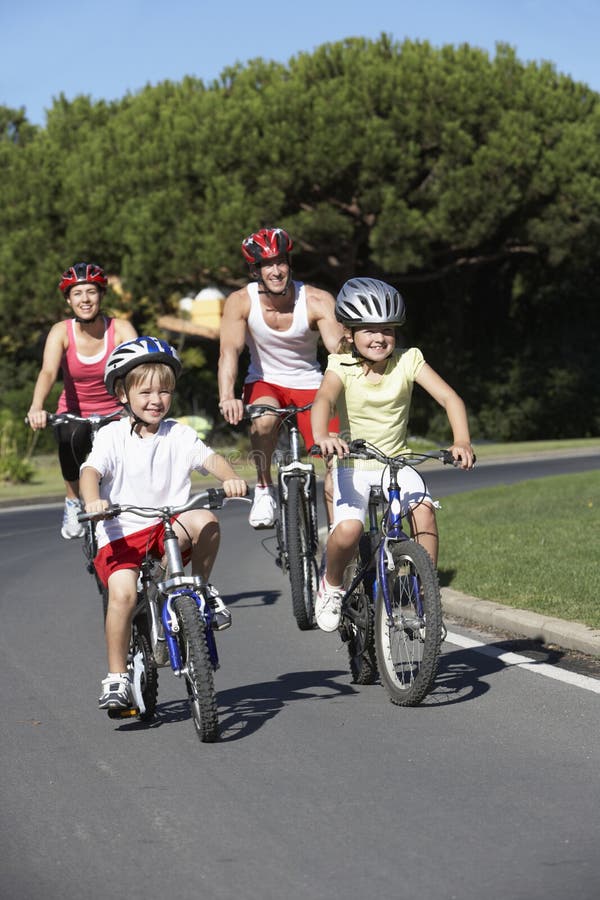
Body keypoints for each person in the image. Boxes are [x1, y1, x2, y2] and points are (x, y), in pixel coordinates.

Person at [79, 336, 247, 710]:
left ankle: (200, 589)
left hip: (167, 528)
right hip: (121, 534)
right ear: (122, 394)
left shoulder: (179, 434)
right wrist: (94, 498)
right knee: (122, 594)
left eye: (165, 391)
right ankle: (116, 676)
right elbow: (91, 470)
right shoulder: (112, 436)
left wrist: (229, 476)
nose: (156, 400)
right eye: (146, 392)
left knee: (206, 519)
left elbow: (211, 459)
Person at [310, 277, 475, 632]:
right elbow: (324, 399)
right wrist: (323, 435)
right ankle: (332, 584)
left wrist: (461, 440)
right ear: (350, 333)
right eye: (369, 330)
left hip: (397, 463)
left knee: (424, 513)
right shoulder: (340, 365)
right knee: (350, 529)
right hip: (353, 464)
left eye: (387, 329)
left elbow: (450, 399)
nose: (379, 337)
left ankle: (426, 601)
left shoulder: (409, 361)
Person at [218, 227, 343, 528]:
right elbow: (229, 353)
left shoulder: (316, 300)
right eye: (267, 265)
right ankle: (264, 488)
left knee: (337, 461)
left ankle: (338, 540)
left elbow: (338, 353)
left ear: (289, 263)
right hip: (265, 381)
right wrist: (226, 396)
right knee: (263, 418)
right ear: (256, 271)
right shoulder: (240, 301)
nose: (276, 271)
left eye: (281, 262)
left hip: (312, 384)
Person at [27, 262, 137, 540]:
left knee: (134, 450)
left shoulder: (120, 329)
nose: (85, 299)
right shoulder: (61, 332)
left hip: (116, 412)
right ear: (68, 299)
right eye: (77, 293)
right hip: (75, 413)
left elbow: (139, 368)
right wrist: (37, 406)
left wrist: (138, 408)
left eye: (91, 292)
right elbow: (49, 371)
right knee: (69, 438)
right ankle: (73, 500)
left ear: (101, 296)